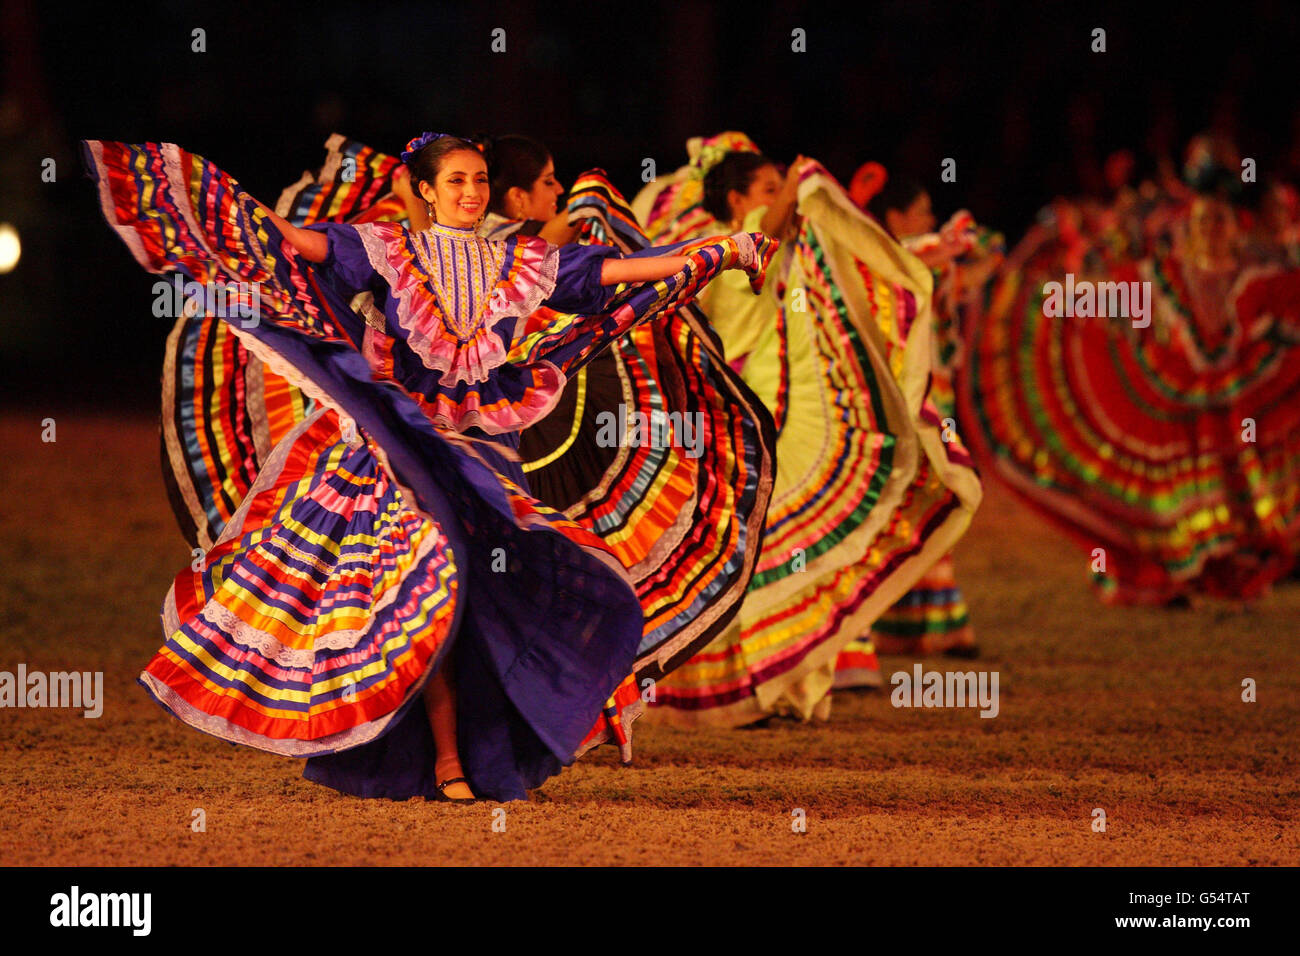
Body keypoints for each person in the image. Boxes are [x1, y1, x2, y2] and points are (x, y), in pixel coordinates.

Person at [84, 133, 774, 802]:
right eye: (455, 181)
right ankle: (446, 756)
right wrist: (218, 203)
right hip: (403, 445)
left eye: (478, 180)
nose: (470, 192)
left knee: (476, 596)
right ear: (424, 189)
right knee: (438, 579)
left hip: (485, 451)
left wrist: (721, 250)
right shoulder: (383, 248)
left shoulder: (522, 261)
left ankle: (495, 739)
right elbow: (295, 247)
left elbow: (613, 275)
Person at [632, 133, 982, 727]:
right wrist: (801, 180)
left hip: (777, 412)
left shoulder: (777, 250)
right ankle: (763, 687)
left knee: (791, 551)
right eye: (766, 191)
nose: (781, 200)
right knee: (766, 553)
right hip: (751, 415)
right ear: (737, 201)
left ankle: (795, 685)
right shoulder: (726, 247)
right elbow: (770, 226)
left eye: (777, 189)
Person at [961, 137, 1300, 603]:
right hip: (1171, 411)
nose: (1213, 230)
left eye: (1221, 221)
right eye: (1204, 221)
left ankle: (1228, 566)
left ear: (1236, 227)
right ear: (1189, 226)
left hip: (1230, 410)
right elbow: (1084, 299)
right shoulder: (1157, 276)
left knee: (1238, 496)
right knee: (1158, 506)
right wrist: (1020, 293)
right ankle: (1158, 573)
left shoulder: (1258, 274)